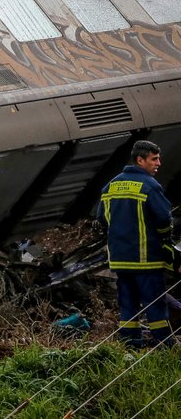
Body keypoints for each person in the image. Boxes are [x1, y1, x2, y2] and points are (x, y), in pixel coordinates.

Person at [95, 140, 175, 348]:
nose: (158, 163)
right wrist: (165, 240)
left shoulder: (111, 185)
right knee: (155, 304)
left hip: (121, 260)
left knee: (128, 305)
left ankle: (131, 345)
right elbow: (164, 219)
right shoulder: (149, 185)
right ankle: (165, 345)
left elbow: (102, 218)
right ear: (140, 160)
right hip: (146, 259)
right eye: (154, 159)